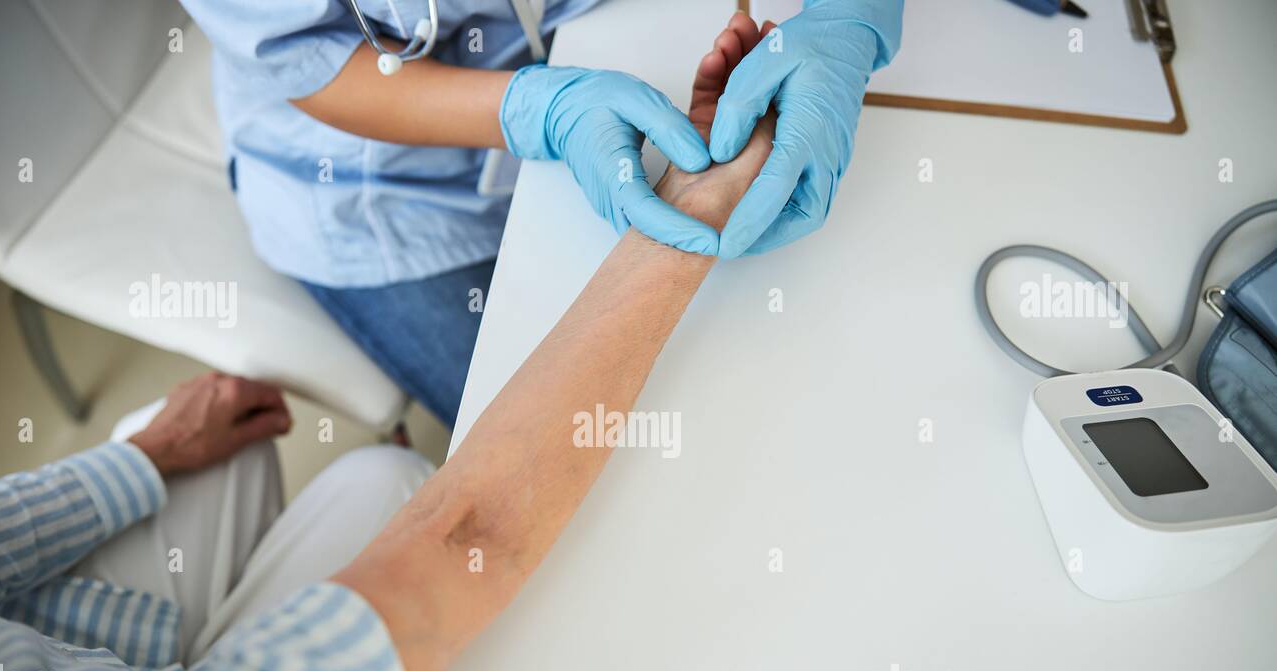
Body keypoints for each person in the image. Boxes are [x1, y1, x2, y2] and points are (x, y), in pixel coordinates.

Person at [0, 12, 778, 671]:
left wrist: (133, 465)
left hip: (73, 647)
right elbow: (468, 532)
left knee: (383, 476)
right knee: (605, 548)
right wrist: (683, 223)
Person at [181, 0, 902, 425]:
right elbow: (311, 57)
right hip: (384, 192)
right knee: (576, 438)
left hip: (596, 40)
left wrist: (850, 20)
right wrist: (542, 112)